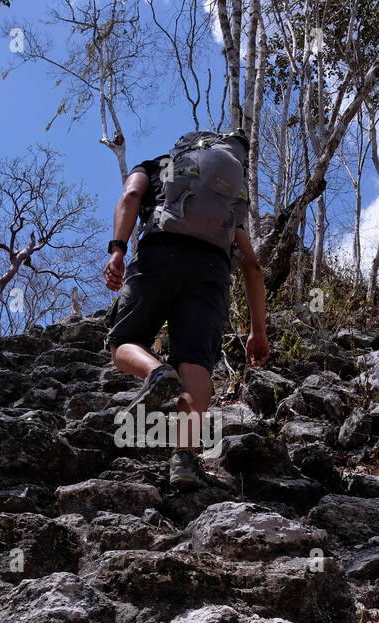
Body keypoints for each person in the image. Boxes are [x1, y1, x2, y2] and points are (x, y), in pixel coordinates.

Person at [103, 129, 269, 490]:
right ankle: (184, 459)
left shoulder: (160, 166)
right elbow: (252, 267)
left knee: (123, 343)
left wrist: (117, 248)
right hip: (211, 272)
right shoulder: (230, 202)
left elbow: (131, 195)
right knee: (196, 366)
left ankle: (155, 373)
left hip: (159, 254)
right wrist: (258, 330)